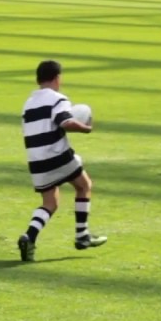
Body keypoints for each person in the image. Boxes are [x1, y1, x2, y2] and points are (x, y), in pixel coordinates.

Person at [17, 60, 107, 263]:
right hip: (57, 155)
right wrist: (86, 128)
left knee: (50, 203)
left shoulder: (28, 103)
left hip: (36, 161)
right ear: (57, 78)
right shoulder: (57, 99)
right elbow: (65, 122)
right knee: (84, 186)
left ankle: (29, 236)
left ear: (38, 80)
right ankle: (82, 235)